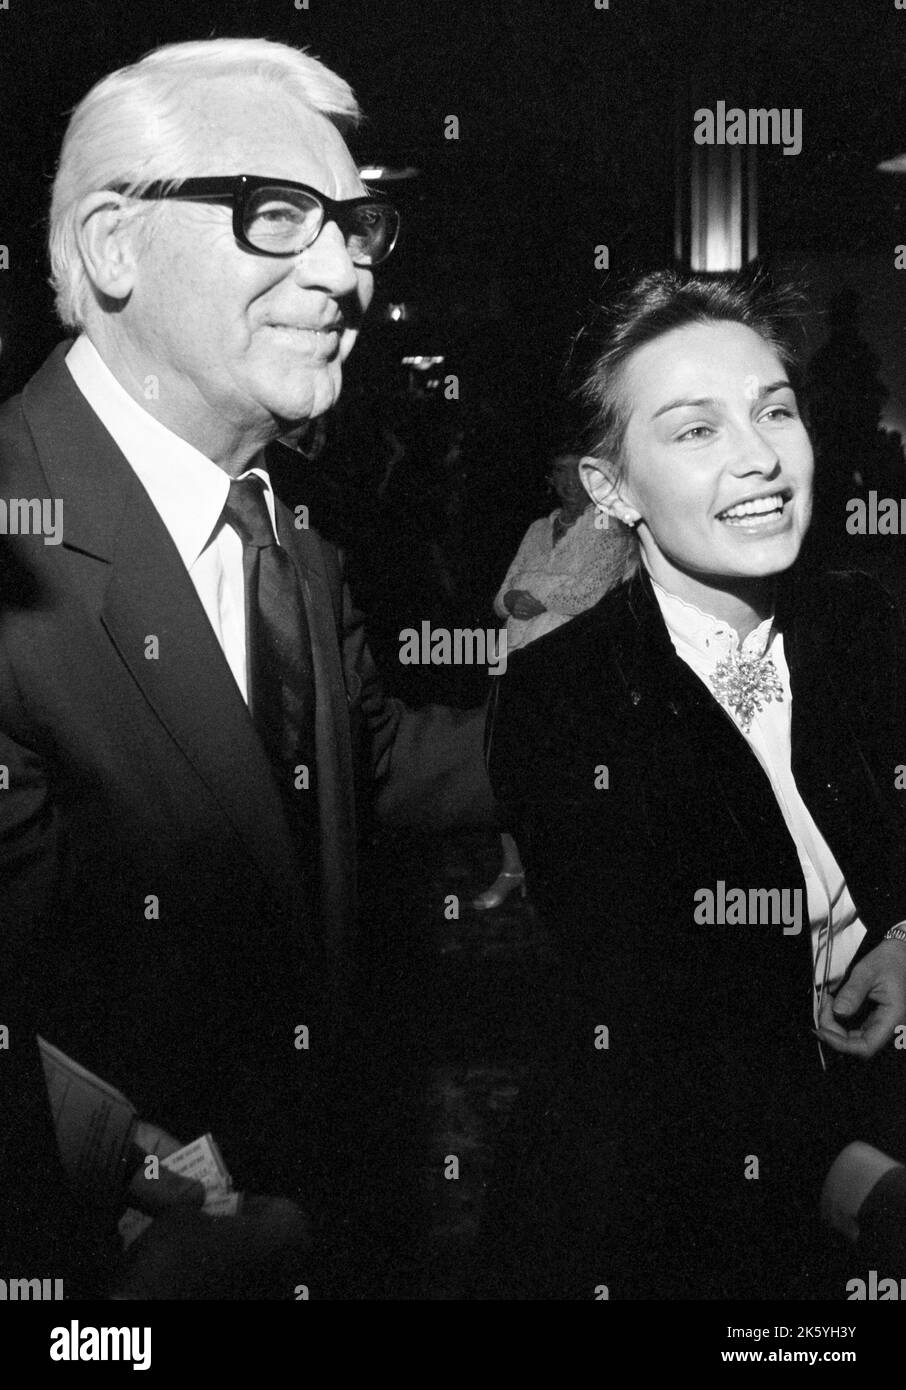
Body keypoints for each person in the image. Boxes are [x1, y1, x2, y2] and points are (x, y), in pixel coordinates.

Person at [0, 37, 493, 1298]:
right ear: (114, 246)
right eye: (277, 218)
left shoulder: (289, 533)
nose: (343, 274)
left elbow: (363, 768)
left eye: (356, 227)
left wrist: (680, 675)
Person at [479, 270, 906, 1299]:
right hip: (690, 1210)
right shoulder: (565, 698)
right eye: (694, 430)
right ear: (611, 489)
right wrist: (858, 1185)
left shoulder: (869, 625)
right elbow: (653, 1025)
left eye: (773, 410)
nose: (759, 456)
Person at [473, 453, 634, 909]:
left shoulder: (609, 522)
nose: (565, 481)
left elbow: (591, 591)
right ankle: (511, 868)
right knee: (505, 765)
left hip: (570, 662)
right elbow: (502, 595)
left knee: (569, 770)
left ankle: (570, 876)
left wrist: (533, 592)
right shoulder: (538, 527)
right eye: (556, 471)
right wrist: (511, 597)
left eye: (573, 470)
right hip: (513, 657)